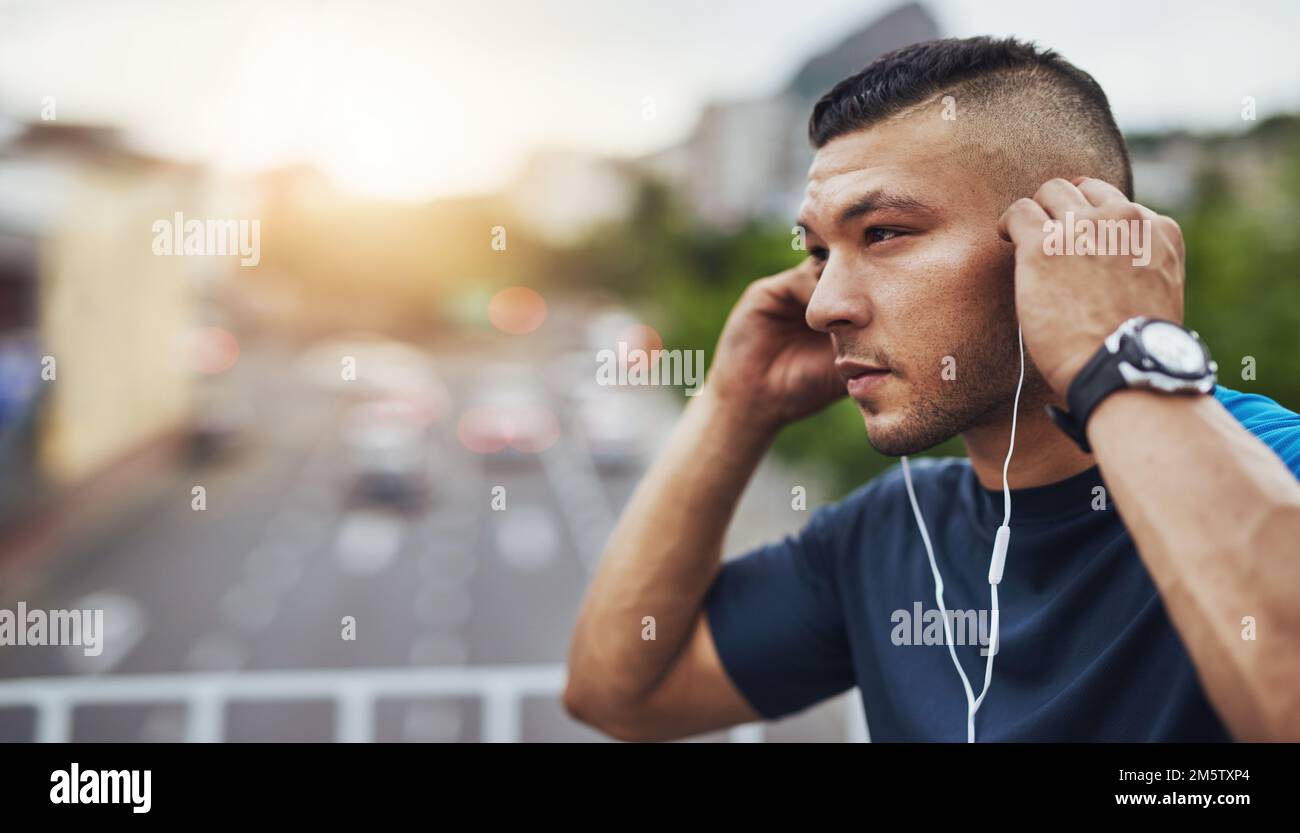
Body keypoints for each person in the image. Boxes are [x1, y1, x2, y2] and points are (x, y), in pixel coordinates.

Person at [564, 36, 1300, 742]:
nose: (823, 305)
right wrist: (732, 404)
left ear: (1066, 234)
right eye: (819, 253)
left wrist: (1121, 349)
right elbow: (619, 692)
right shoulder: (891, 532)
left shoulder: (1277, 466)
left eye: (883, 232)